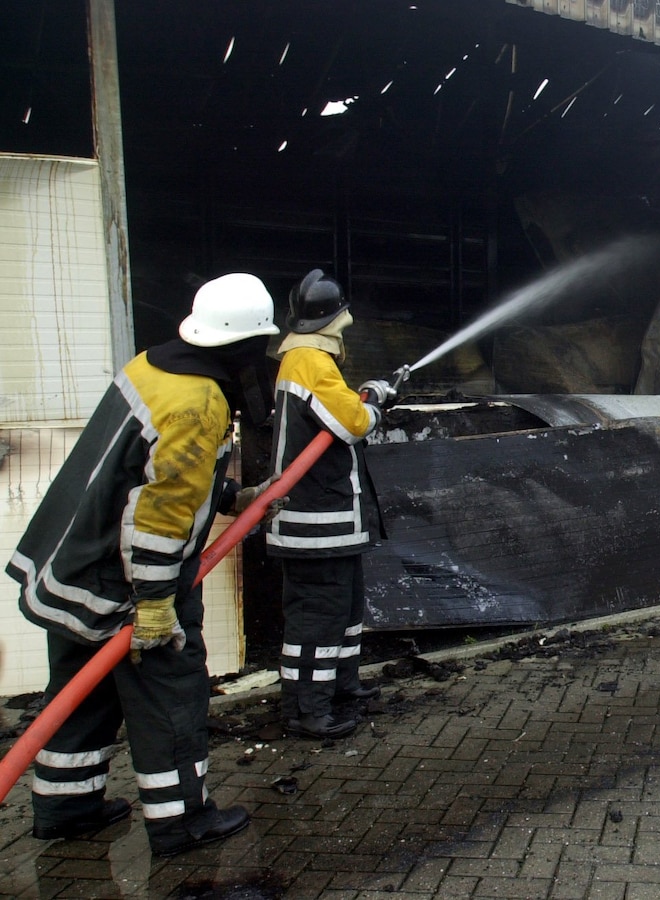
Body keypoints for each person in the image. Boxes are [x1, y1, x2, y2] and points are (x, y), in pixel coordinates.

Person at [6, 273, 280, 856]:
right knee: (170, 697)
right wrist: (156, 607)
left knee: (79, 696)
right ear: (247, 344)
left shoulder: (153, 368)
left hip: (73, 571)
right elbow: (155, 518)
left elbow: (147, 476)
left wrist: (234, 496)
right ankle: (181, 820)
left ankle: (67, 809)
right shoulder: (198, 402)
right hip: (126, 587)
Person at [267, 269, 396, 739]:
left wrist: (369, 396)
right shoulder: (309, 361)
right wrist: (379, 403)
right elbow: (353, 422)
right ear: (333, 318)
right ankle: (308, 710)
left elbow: (336, 409)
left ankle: (342, 688)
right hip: (316, 525)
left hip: (330, 523)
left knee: (343, 613)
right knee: (317, 621)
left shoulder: (302, 358)